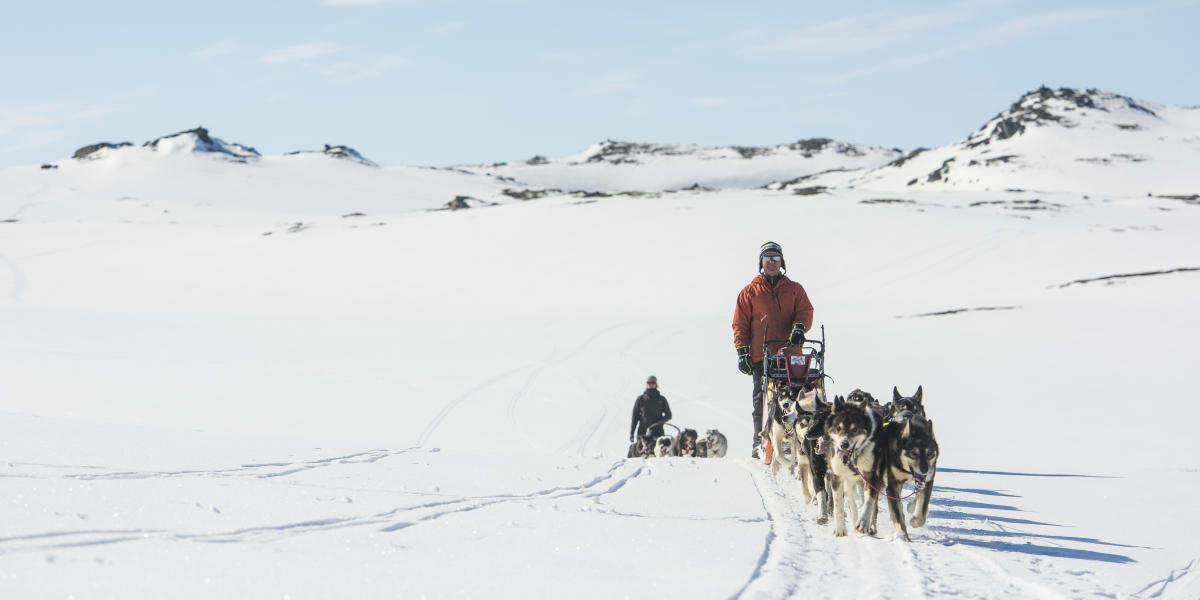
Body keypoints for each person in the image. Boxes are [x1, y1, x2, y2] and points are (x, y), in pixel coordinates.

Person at [732, 241, 814, 458]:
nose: (771, 262)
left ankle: (797, 438)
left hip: (791, 354)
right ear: (761, 262)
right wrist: (743, 351)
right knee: (761, 397)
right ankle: (759, 440)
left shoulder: (795, 289)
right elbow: (740, 324)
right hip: (762, 355)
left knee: (797, 394)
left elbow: (805, 311)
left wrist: (799, 328)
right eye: (767, 258)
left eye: (775, 258)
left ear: (782, 262)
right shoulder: (749, 292)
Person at [629, 375, 672, 442]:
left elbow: (669, 415)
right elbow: (635, 417)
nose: (651, 384)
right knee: (640, 451)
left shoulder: (661, 399)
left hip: (658, 431)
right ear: (646, 384)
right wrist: (632, 433)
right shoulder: (640, 399)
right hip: (643, 431)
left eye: (653, 383)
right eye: (649, 383)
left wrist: (661, 421)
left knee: (658, 451)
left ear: (656, 384)